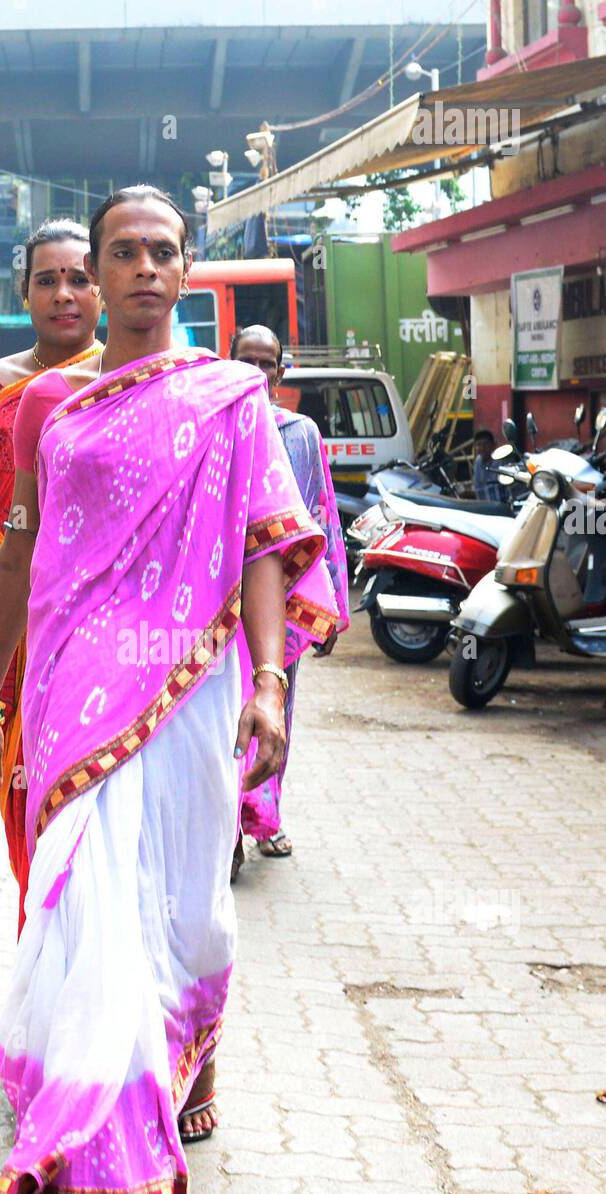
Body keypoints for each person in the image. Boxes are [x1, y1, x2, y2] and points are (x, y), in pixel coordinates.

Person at [0, 185, 337, 1194]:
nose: (136, 269)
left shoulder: (231, 400)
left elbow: (267, 543)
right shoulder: (45, 408)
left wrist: (269, 682)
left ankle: (186, 1059)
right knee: (96, 920)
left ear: (185, 268)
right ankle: (91, 1169)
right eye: (119, 250)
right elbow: (18, 557)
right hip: (76, 698)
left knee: (190, 915)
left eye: (158, 251)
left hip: (190, 693)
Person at [0, 220, 103, 934]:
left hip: (103, 623)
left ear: (103, 288)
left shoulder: (139, 378)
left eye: (79, 278)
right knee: (24, 796)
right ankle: (48, 955)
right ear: (24, 293)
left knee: (98, 801)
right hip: (12, 622)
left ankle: (85, 968)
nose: (65, 294)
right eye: (47, 279)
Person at [229, 325, 348, 873]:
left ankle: (265, 821)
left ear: (281, 371)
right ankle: (226, 828)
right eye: (245, 360)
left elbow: (322, 518)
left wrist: (332, 610)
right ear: (228, 363)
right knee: (221, 713)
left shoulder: (302, 435)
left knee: (277, 707)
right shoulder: (216, 427)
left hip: (284, 601)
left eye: (266, 363)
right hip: (219, 603)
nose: (256, 372)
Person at [472, 428, 504, 502]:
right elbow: (477, 486)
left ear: (494, 445)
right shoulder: (478, 461)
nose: (482, 448)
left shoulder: (500, 460)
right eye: (479, 445)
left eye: (485, 444)